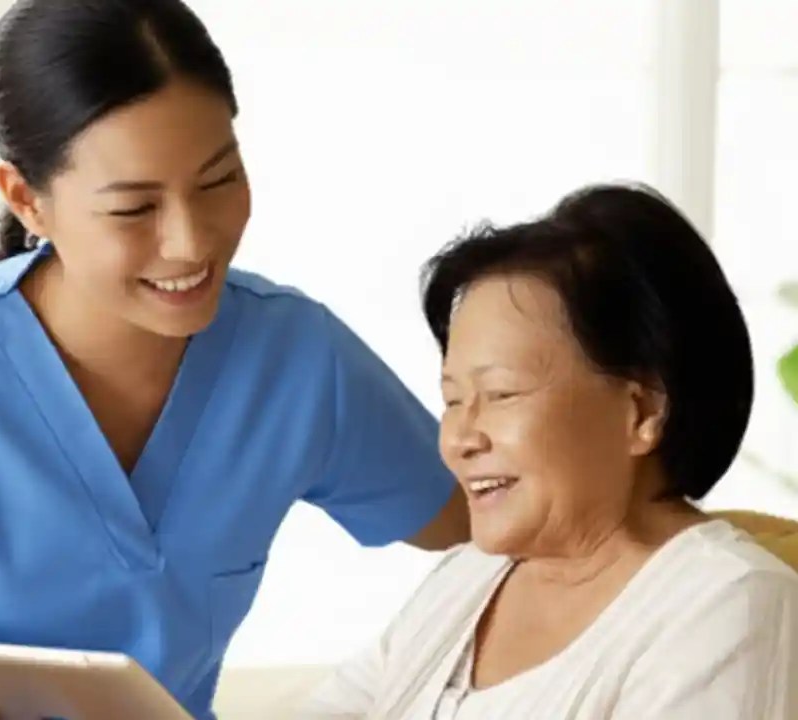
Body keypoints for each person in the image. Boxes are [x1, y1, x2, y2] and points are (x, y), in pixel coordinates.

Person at [0, 1, 470, 718]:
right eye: (134, 209)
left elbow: (492, 518)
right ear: (27, 201)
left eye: (218, 180)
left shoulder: (295, 359)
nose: (191, 243)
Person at [299, 183, 798, 719]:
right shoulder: (469, 576)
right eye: (453, 399)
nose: (461, 438)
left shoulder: (726, 606)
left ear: (642, 413)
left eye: (500, 394)